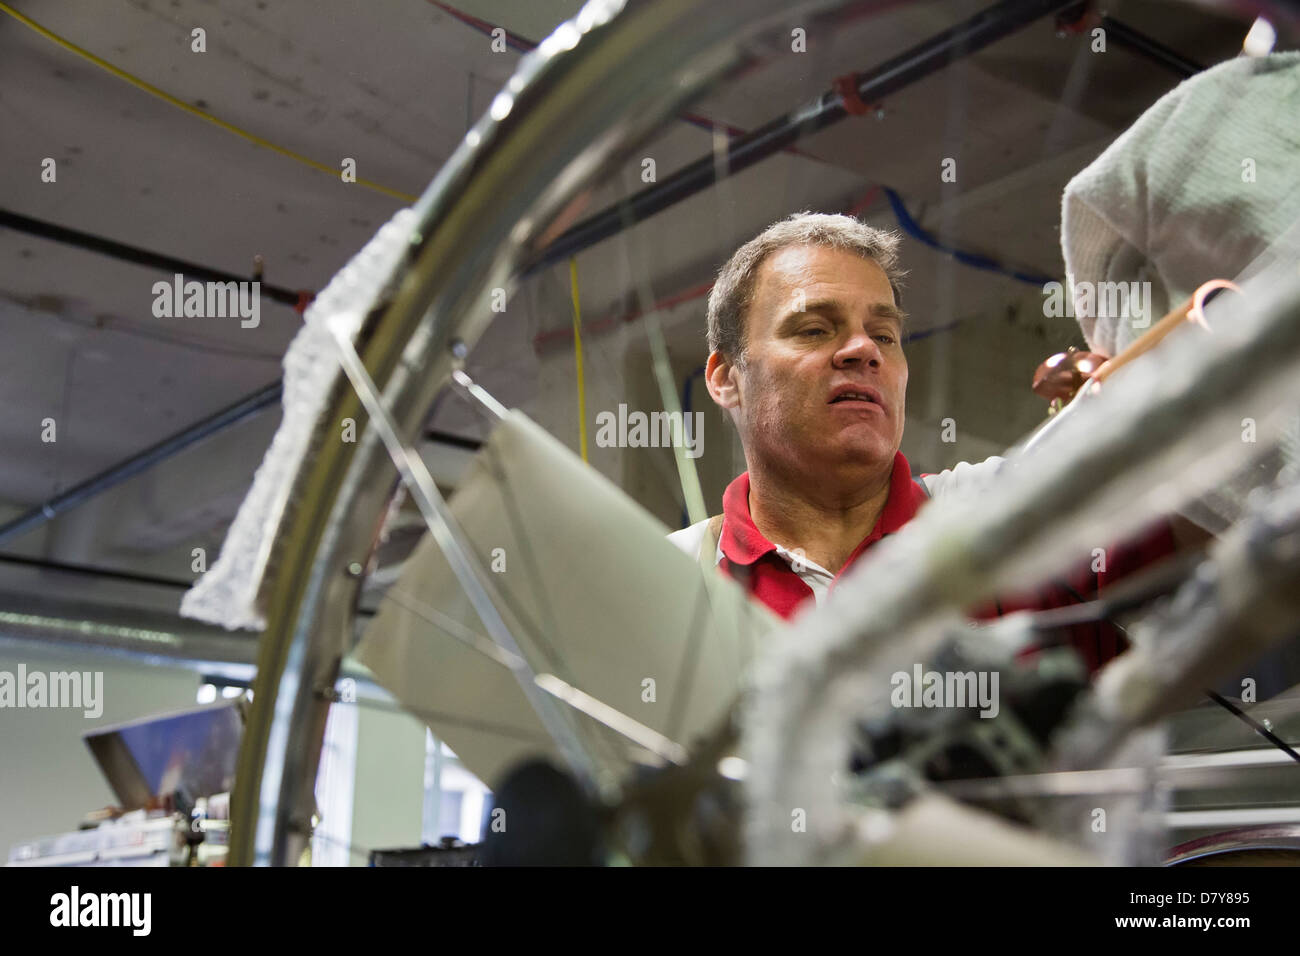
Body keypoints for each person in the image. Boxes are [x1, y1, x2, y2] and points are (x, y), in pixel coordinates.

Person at [668, 212, 1177, 672]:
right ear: (725, 378)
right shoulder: (671, 579)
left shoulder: (1003, 514)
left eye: (884, 335)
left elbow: (1215, 513)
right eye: (815, 329)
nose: (864, 349)